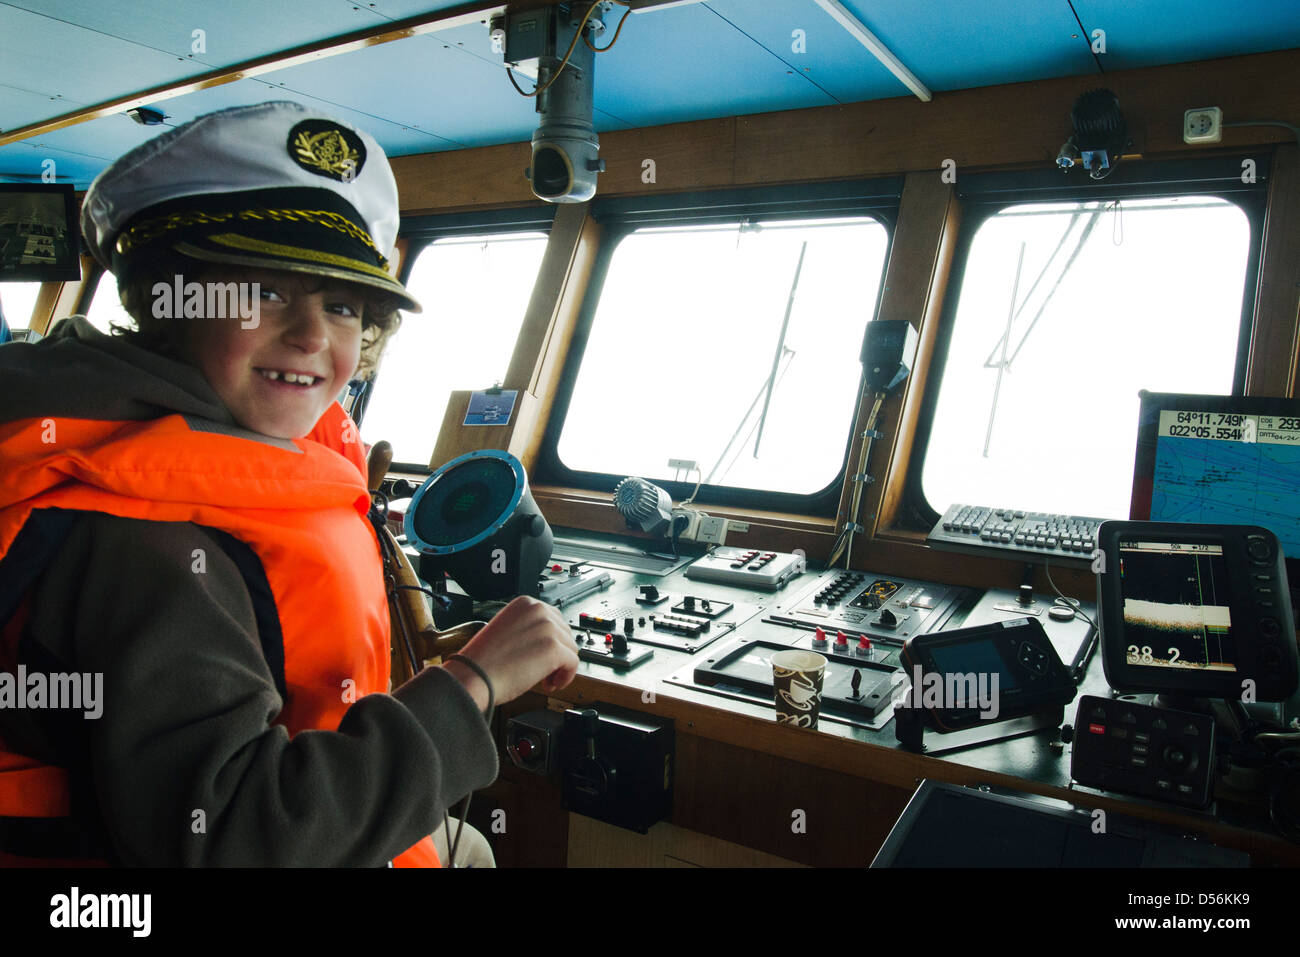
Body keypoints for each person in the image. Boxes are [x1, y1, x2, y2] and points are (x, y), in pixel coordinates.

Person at [0, 101, 578, 866]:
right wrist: (474, 683)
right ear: (167, 301)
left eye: (341, 304)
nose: (311, 335)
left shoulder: (216, 453)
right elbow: (239, 836)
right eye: (264, 291)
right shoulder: (144, 534)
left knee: (467, 847)